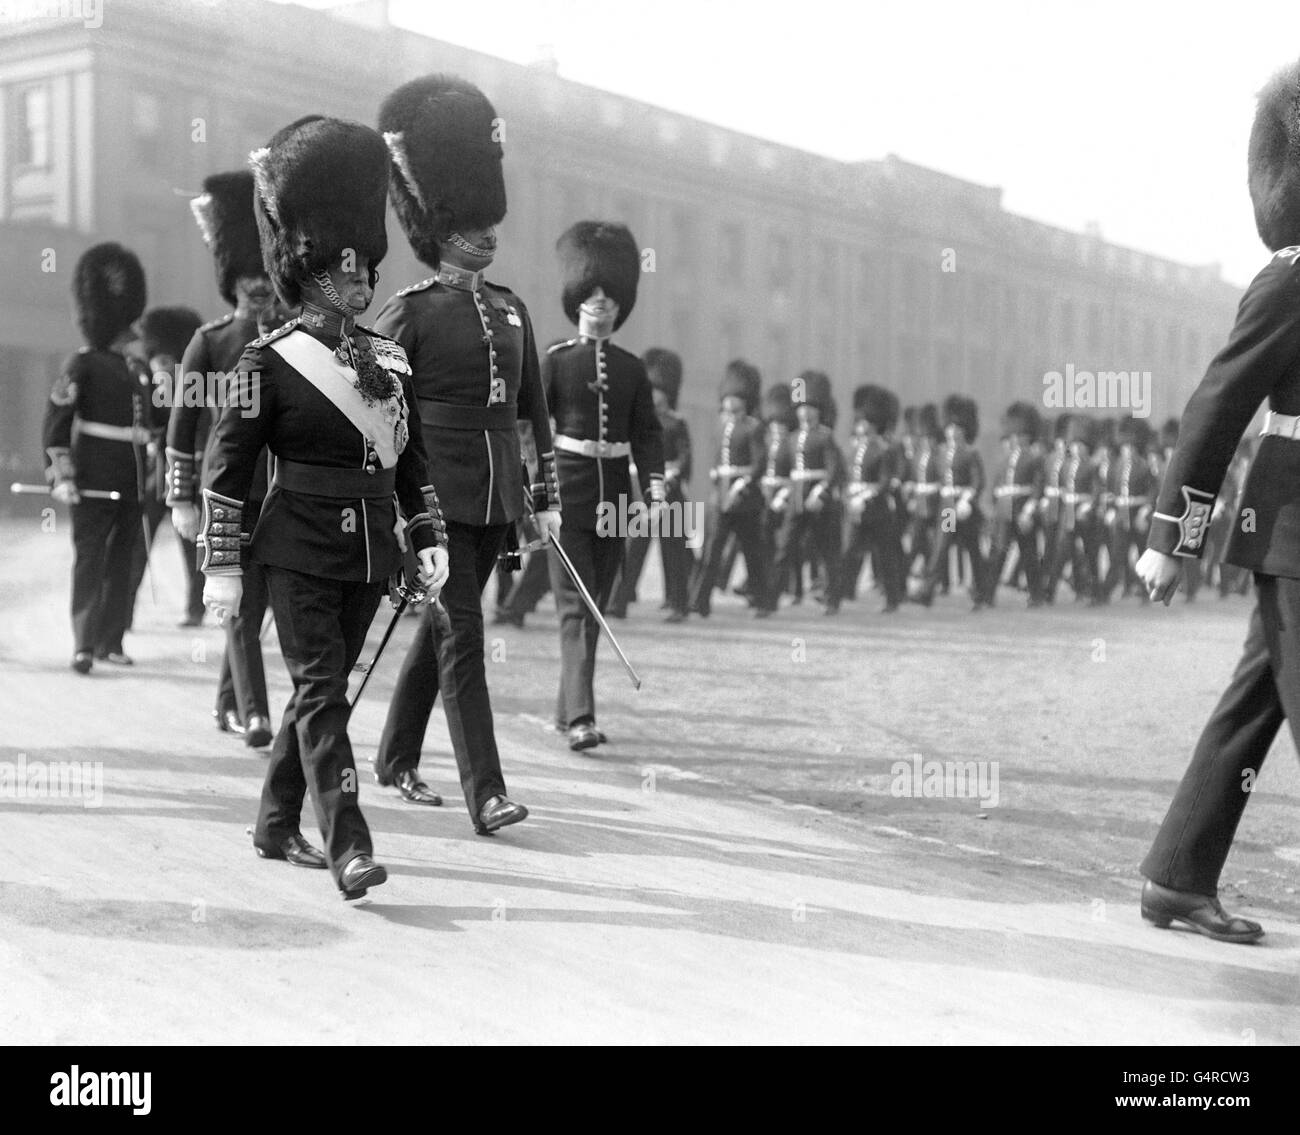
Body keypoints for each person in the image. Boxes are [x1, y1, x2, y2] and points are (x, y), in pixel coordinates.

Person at [202, 116, 449, 899]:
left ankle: (276, 821)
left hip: (372, 549)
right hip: (297, 547)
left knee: (327, 688)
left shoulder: (389, 360)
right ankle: (349, 843)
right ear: (309, 275)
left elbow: (410, 458)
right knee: (320, 692)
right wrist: (222, 565)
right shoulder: (263, 361)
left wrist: (428, 534)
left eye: (365, 274)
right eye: (345, 276)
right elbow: (226, 465)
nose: (361, 286)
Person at [1135, 61, 1300, 944]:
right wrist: (1173, 536)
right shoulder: (1290, 277)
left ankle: (1175, 875)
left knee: (1251, 704)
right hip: (1290, 533)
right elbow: (1218, 405)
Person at [371, 75, 559, 829]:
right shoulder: (408, 312)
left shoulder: (510, 309)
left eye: (488, 222)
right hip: (435, 508)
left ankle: (393, 757)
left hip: (493, 502)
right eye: (468, 223)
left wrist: (540, 496)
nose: (485, 234)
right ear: (434, 223)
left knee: (446, 626)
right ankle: (486, 790)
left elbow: (531, 411)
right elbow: (379, 417)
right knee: (466, 637)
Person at [168, 170, 291, 749]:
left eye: (262, 275)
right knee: (239, 602)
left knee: (255, 602)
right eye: (247, 277)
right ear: (232, 280)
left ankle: (227, 701)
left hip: (276, 489)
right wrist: (180, 497)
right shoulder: (210, 342)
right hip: (225, 492)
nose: (256, 287)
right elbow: (182, 425)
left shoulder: (290, 342)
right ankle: (256, 713)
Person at [545, 221, 664, 751]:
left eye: (611, 297)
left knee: (598, 598)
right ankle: (581, 719)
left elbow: (647, 435)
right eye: (591, 295)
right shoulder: (556, 361)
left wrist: (655, 490)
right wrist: (535, 488)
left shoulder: (632, 369)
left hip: (615, 495)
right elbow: (530, 429)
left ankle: (565, 705)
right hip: (567, 492)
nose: (601, 304)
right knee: (578, 606)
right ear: (576, 302)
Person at [42, 243, 148, 674]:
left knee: (122, 560)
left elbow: (152, 423)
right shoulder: (81, 364)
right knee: (90, 559)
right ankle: (83, 643)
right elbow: (57, 421)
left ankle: (111, 641)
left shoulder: (137, 369)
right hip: (90, 476)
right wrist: (60, 473)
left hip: (131, 477)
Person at [610, 348, 692, 621]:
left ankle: (677, 603)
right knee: (634, 548)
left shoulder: (677, 423)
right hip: (641, 489)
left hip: (669, 489)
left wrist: (672, 472)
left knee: (674, 550)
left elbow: (684, 457)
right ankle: (619, 600)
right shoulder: (639, 420)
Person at [688, 361, 769, 617]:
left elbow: (759, 463)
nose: (730, 403)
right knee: (711, 550)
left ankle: (762, 601)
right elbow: (716, 456)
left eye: (735, 398)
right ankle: (699, 601)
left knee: (752, 554)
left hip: (745, 499)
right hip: (721, 495)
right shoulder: (720, 424)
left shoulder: (754, 427)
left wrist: (741, 485)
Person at [833, 384, 904, 613]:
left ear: (874, 425)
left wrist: (864, 496)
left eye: (866, 422)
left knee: (884, 556)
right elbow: (846, 475)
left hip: (877, 510)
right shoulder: (853, 449)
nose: (861, 426)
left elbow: (884, 482)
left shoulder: (883, 450)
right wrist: (847, 494)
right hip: (855, 509)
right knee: (847, 552)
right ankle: (836, 595)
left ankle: (892, 599)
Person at [915, 395, 987, 609]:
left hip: (965, 509)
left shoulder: (971, 454)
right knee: (940, 548)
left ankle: (981, 592)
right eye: (950, 427)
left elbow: (978, 482)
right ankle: (927, 591)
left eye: (957, 428)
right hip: (947, 509)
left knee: (973, 551)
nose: (952, 432)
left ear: (964, 431)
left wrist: (967, 500)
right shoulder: (942, 453)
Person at [983, 401, 1044, 607]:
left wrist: (1029, 510)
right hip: (1004, 509)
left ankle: (1036, 596)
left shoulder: (1034, 459)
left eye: (1021, 434)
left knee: (1028, 555)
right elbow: (996, 485)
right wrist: (994, 506)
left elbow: (1037, 487)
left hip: (1022, 509)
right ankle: (987, 593)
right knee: (998, 551)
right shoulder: (1004, 458)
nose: (1017, 438)